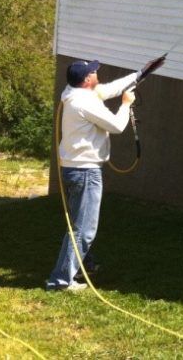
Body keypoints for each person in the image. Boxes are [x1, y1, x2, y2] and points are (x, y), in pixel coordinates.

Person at [45, 56, 164, 291]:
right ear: (88, 79)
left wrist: (143, 71)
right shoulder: (84, 103)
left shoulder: (77, 94)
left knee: (79, 226)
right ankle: (60, 281)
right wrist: (126, 104)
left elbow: (110, 89)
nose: (97, 72)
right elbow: (117, 126)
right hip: (85, 172)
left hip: (75, 169)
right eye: (93, 71)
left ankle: (78, 266)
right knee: (83, 230)